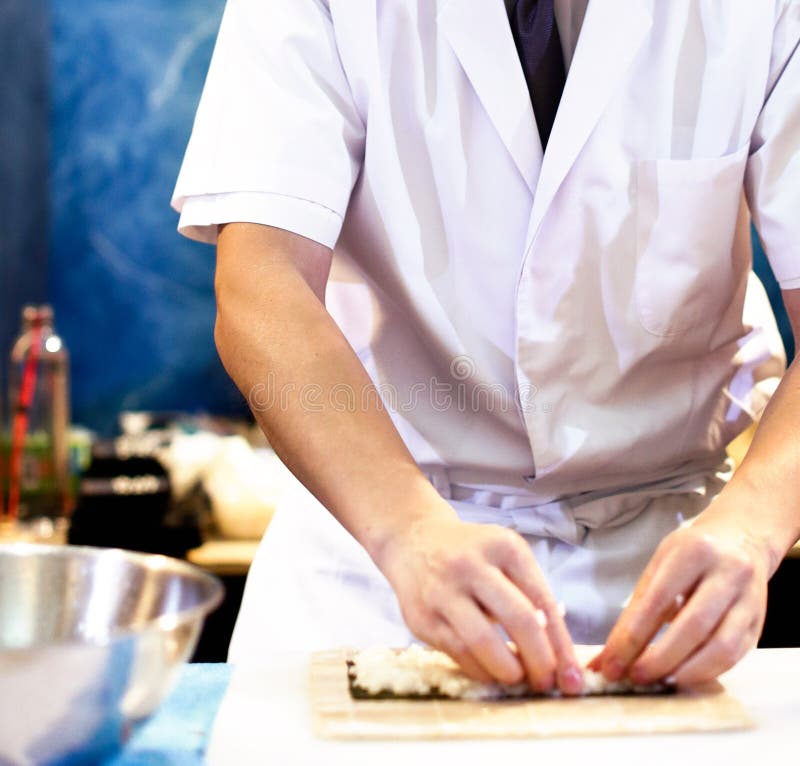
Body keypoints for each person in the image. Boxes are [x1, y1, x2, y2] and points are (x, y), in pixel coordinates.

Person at [172, 0, 800, 694]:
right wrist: (406, 528)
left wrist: (752, 527)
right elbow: (264, 287)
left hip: (665, 573)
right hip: (373, 560)